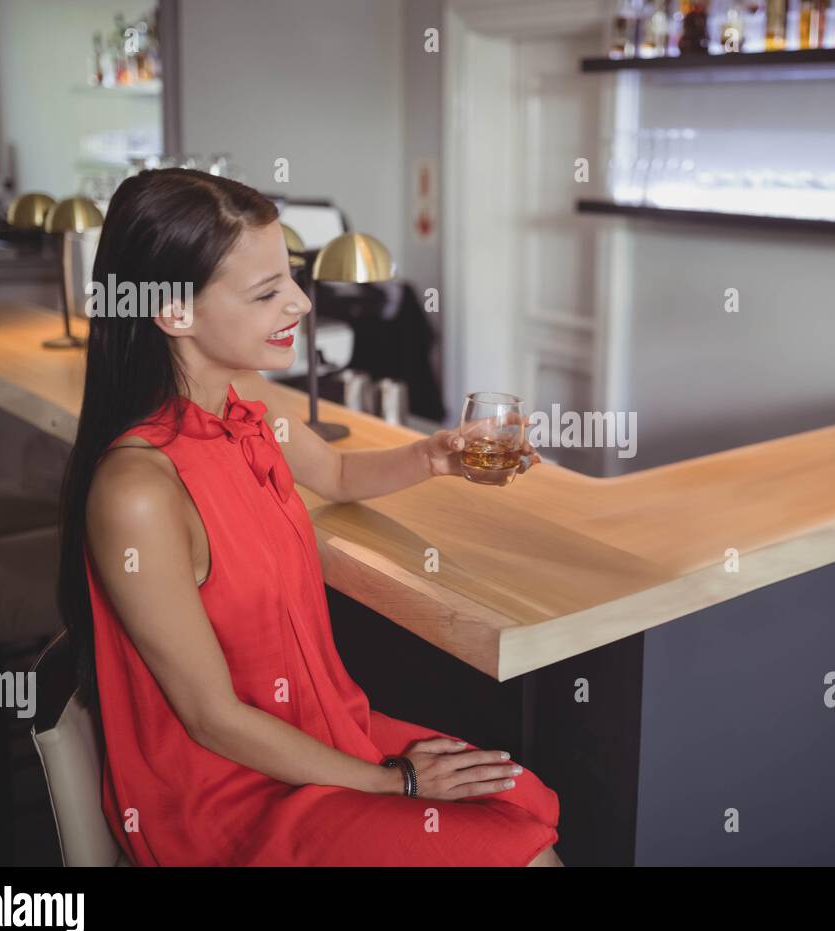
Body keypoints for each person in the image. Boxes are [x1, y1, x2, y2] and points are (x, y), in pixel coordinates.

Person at [56, 168, 561, 866]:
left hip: (321, 731)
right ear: (173, 312)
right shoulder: (137, 490)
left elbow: (341, 473)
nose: (299, 302)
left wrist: (435, 455)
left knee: (521, 799)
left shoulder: (241, 396)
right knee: (512, 851)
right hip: (227, 795)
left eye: (289, 277)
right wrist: (399, 782)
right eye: (267, 293)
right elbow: (212, 720)